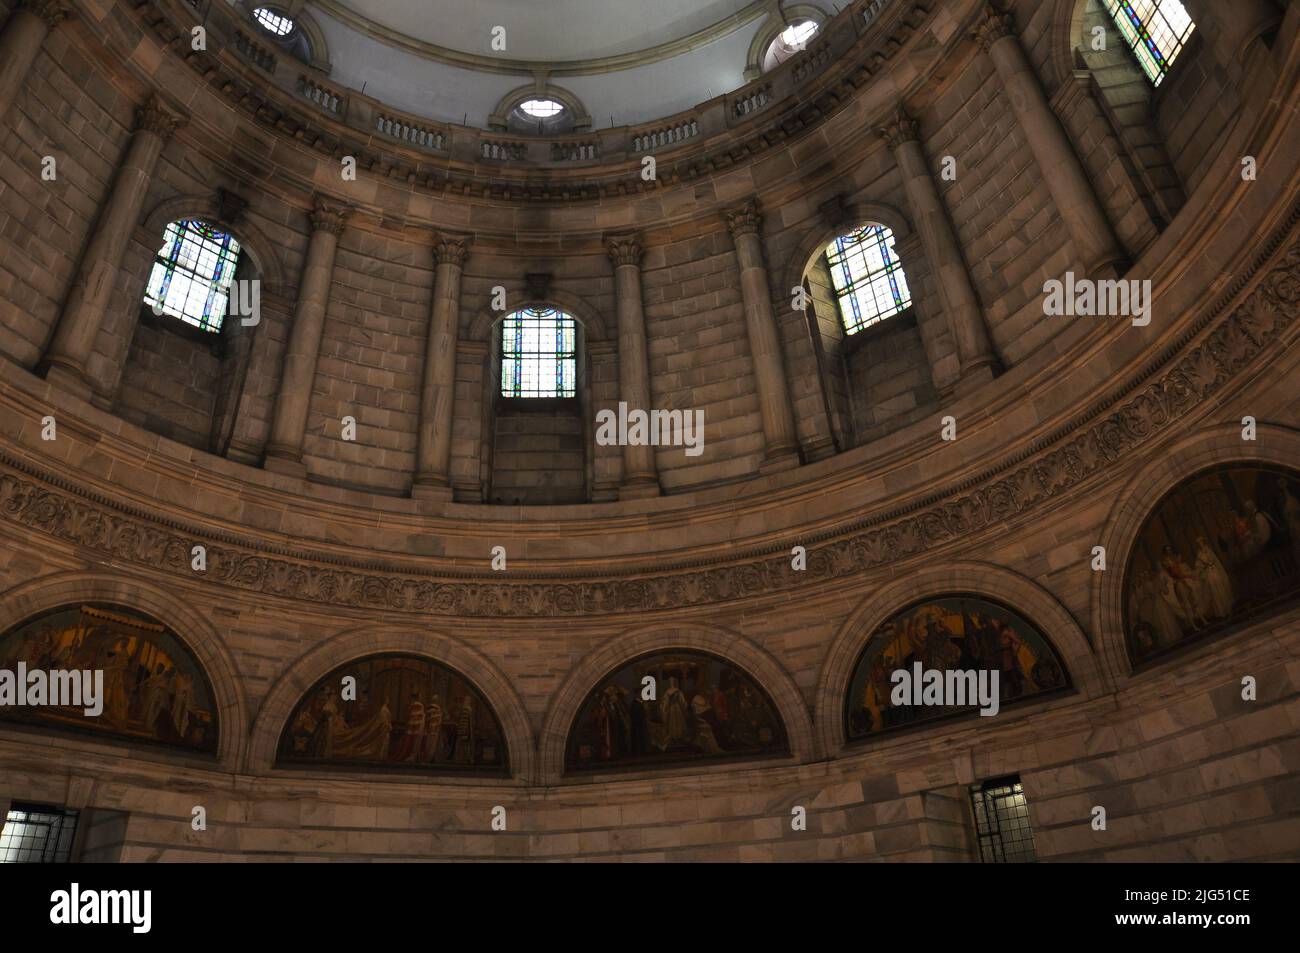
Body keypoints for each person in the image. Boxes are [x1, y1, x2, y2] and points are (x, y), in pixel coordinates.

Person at [1193, 536, 1233, 619]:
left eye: (1201, 542)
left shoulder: (1209, 550)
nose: (1200, 544)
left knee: (1219, 585)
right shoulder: (1199, 554)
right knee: (1214, 589)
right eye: (1198, 543)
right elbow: (1198, 566)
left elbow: (1215, 560)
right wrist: (1201, 570)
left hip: (1214, 570)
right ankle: (1220, 610)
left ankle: (1226, 607)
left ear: (1203, 542)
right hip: (1208, 572)